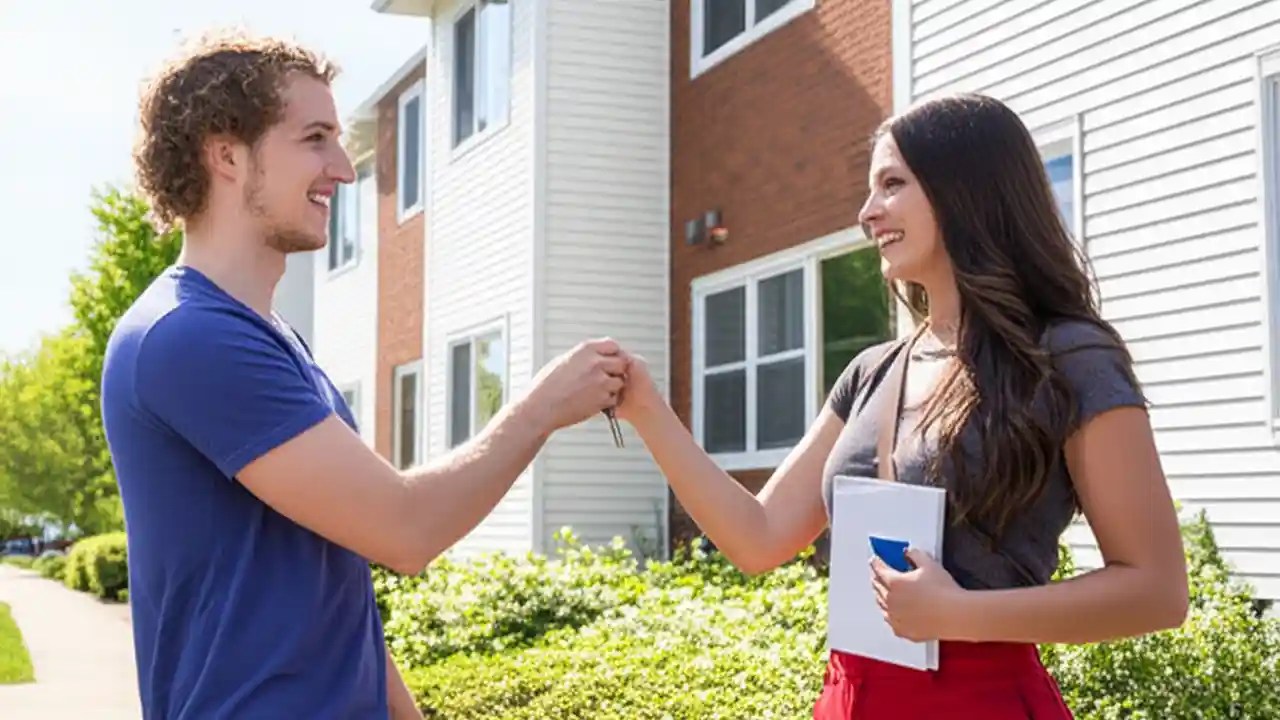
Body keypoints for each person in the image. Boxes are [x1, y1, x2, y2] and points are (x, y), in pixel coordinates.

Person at [100, 32, 625, 719]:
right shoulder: (189, 338)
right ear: (225, 153)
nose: (344, 169)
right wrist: (542, 407)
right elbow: (405, 530)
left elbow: (331, 593)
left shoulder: (267, 337)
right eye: (315, 137)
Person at [614, 93, 1189, 718]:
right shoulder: (871, 371)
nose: (867, 212)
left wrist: (958, 614)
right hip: (852, 697)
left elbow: (1157, 590)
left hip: (980, 702)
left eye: (892, 184)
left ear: (963, 189)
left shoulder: (1068, 357)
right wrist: (647, 407)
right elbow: (758, 540)